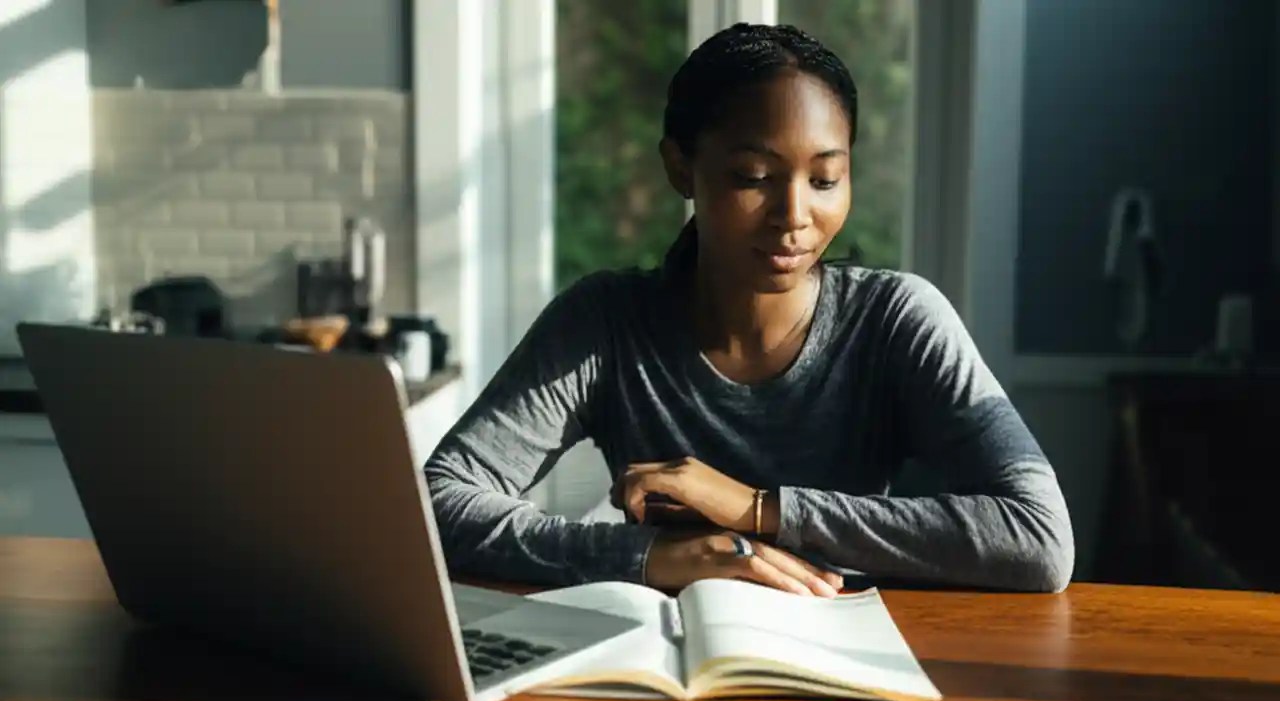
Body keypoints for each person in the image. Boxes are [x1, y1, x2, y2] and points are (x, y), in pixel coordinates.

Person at [423, 23, 1073, 595]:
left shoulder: (898, 320)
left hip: (856, 652)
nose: (794, 216)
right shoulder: (605, 323)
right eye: (754, 177)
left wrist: (758, 509)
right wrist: (648, 558)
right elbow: (437, 501)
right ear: (681, 168)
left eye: (824, 180)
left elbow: (1039, 536)